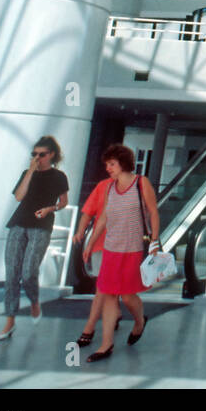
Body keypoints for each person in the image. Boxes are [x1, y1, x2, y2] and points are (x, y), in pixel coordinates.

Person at [83, 144, 160, 362]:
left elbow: (153, 212)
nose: (108, 168)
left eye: (112, 164)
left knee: (127, 296)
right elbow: (104, 218)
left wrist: (154, 241)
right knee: (108, 294)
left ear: (123, 164)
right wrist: (90, 243)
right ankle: (106, 344)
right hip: (110, 249)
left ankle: (139, 322)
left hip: (133, 249)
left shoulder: (141, 183)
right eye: (107, 165)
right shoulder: (109, 188)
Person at [0, 136, 69, 341]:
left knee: (28, 272)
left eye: (41, 154)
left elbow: (64, 202)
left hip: (41, 226)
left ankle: (34, 302)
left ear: (52, 154)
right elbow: (19, 196)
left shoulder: (59, 176)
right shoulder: (27, 174)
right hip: (18, 223)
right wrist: (30, 171)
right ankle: (10, 321)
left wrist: (49, 209)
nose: (37, 157)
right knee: (11, 273)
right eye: (34, 154)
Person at [72, 172, 121, 348]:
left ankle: (89, 328)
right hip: (101, 243)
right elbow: (88, 212)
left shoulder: (133, 187)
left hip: (122, 245)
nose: (110, 168)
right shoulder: (102, 186)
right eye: (108, 164)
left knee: (104, 287)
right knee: (105, 286)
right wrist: (80, 231)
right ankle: (114, 314)